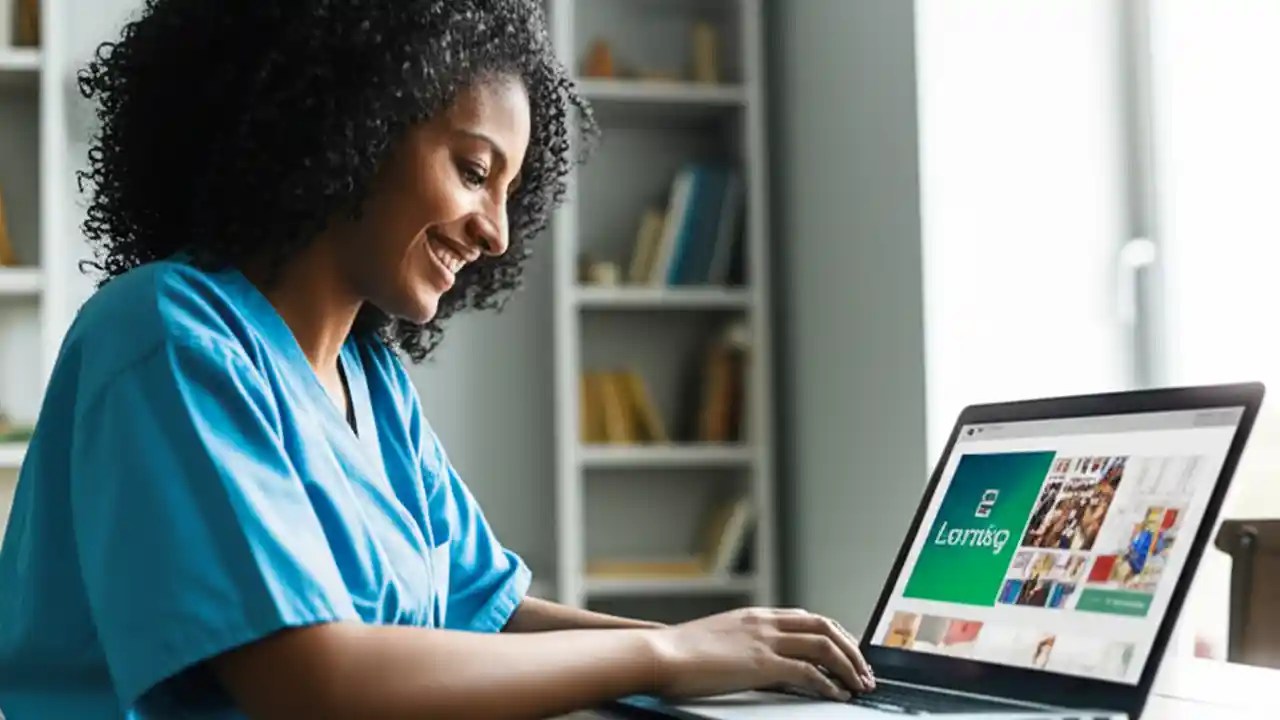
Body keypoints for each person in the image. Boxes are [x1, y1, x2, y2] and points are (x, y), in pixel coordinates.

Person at [0, 2, 874, 718]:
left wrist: (726, 655)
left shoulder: (372, 379)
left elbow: (483, 617)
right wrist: (662, 651)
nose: (494, 231)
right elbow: (312, 682)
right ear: (349, 124)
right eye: (472, 170)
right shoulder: (165, 334)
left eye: (508, 193)